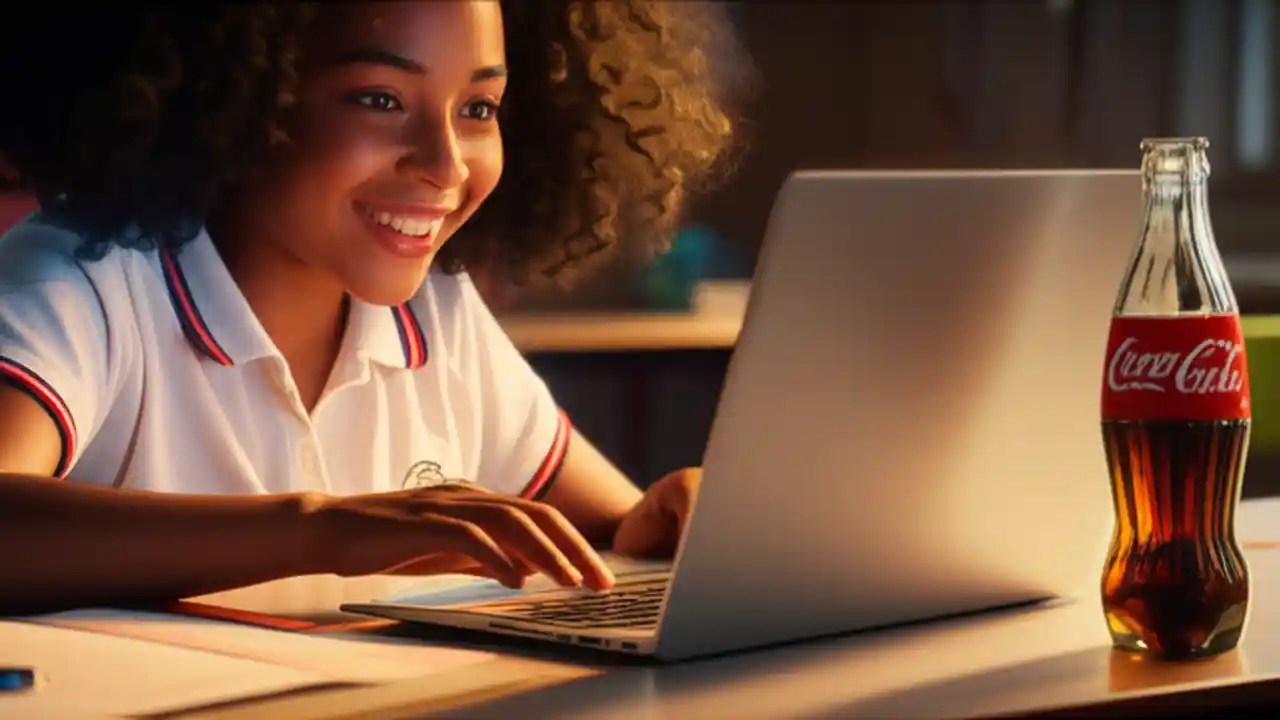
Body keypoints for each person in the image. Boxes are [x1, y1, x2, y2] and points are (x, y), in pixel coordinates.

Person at [0, 1, 745, 613]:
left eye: (479, 107)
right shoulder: (87, 276)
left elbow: (611, 533)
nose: (446, 163)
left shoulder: (436, 313)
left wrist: (666, 518)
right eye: (379, 99)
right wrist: (321, 529)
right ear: (232, 95)